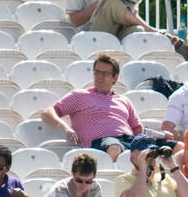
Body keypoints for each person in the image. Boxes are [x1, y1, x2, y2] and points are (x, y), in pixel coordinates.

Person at [42, 54, 170, 164]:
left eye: (105, 73)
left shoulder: (123, 100)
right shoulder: (79, 96)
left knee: (172, 149)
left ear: (115, 77)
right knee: (114, 147)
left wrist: (159, 137)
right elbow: (47, 112)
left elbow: (138, 129)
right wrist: (64, 127)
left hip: (128, 140)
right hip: (101, 142)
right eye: (97, 72)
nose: (99, 77)